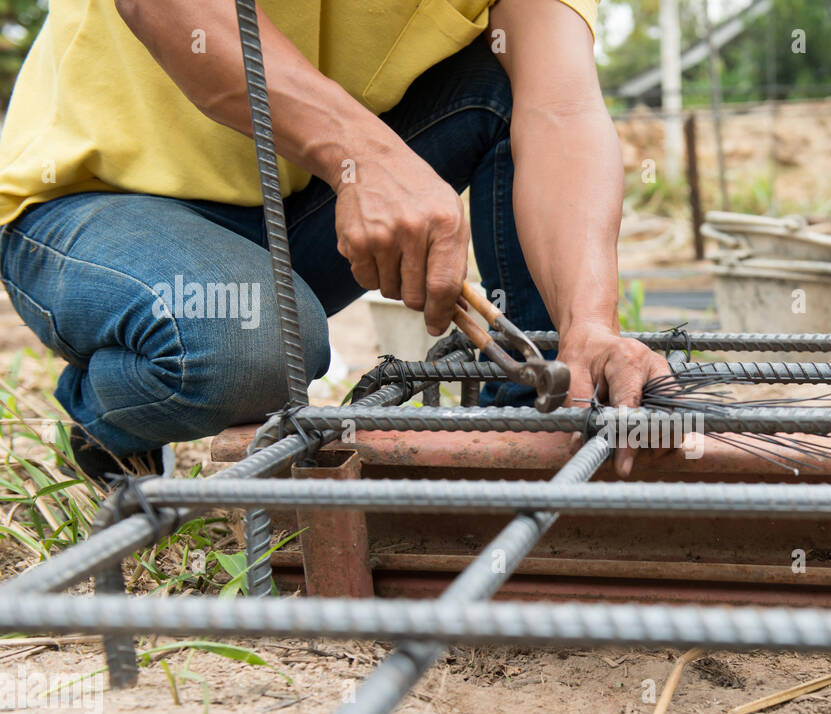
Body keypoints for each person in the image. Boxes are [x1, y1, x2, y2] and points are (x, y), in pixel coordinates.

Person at [0, 0, 666, 481]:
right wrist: (366, 158)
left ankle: (528, 436)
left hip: (297, 199)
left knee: (504, 85)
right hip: (103, 197)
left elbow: (560, 108)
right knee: (250, 342)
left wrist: (589, 322)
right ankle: (104, 421)